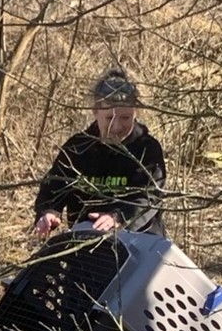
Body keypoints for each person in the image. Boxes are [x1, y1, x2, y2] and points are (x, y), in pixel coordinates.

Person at [33, 69, 167, 238]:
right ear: (95, 111)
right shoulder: (77, 148)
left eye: (125, 118)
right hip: (86, 241)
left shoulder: (147, 149)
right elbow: (53, 187)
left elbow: (149, 198)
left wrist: (119, 217)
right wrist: (49, 212)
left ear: (136, 112)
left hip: (140, 242)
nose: (117, 127)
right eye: (109, 118)